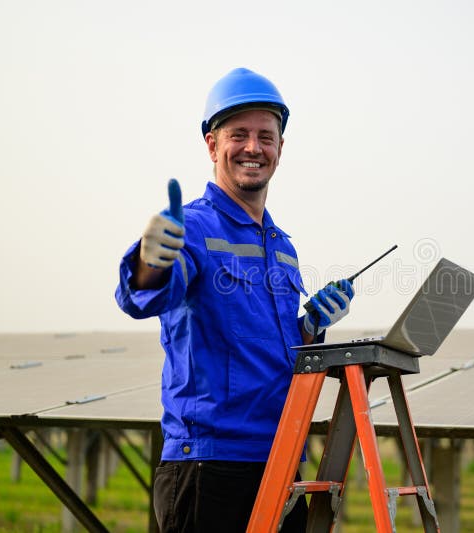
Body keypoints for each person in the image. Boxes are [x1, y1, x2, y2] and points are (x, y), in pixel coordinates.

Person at [115, 67, 354, 533]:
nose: (253, 148)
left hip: (280, 461)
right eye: (238, 135)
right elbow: (144, 294)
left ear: (280, 149)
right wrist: (151, 259)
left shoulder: (282, 246)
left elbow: (273, 347)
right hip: (209, 466)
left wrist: (312, 327)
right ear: (211, 144)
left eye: (266, 136)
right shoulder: (193, 227)